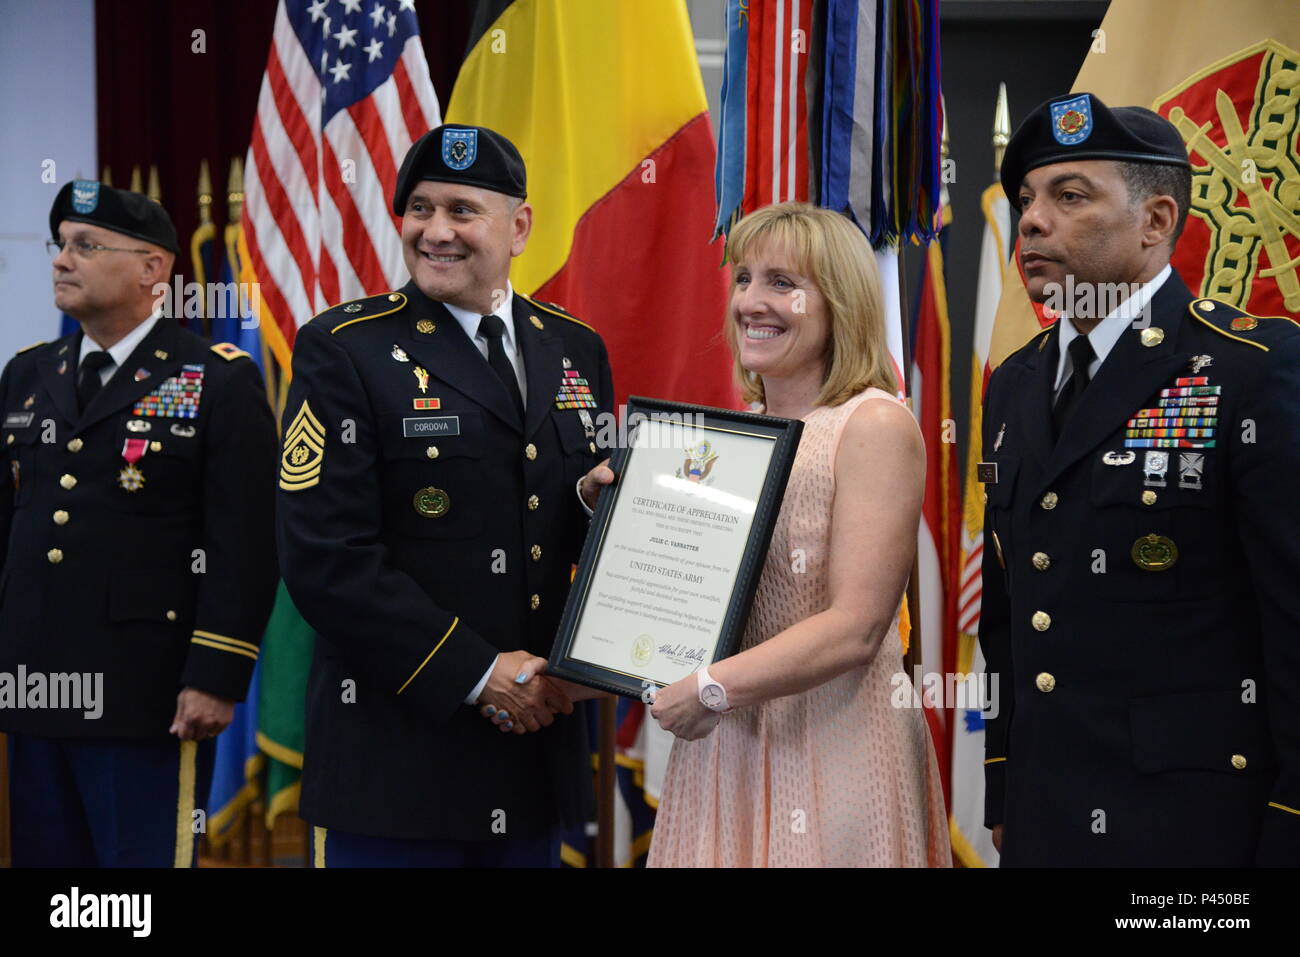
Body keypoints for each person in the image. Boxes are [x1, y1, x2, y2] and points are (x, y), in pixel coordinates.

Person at [276, 125, 615, 867]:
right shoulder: (345, 348)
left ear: (519, 226)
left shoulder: (573, 346)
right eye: (419, 208)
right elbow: (326, 560)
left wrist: (597, 507)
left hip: (531, 758)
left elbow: (552, 519)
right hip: (396, 767)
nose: (435, 231)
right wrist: (476, 673)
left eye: (462, 209)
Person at [978, 93, 1300, 866]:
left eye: (1070, 196)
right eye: (1026, 199)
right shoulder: (1018, 382)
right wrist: (1003, 782)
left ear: (1156, 221)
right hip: (1046, 814)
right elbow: (1010, 607)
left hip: (1195, 826)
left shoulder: (1248, 368)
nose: (1030, 221)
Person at [639, 202, 950, 867]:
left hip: (832, 746)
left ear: (840, 301)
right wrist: (616, 505)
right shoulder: (735, 431)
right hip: (727, 746)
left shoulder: (872, 424)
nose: (752, 300)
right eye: (744, 277)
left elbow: (856, 627)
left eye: (783, 282)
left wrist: (712, 687)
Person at [0, 181, 278, 866]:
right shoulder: (30, 372)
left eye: (86, 246)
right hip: (32, 687)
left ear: (153, 269)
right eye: (60, 245)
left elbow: (245, 542)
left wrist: (216, 672)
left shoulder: (214, 378)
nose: (63, 260)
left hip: (147, 695)